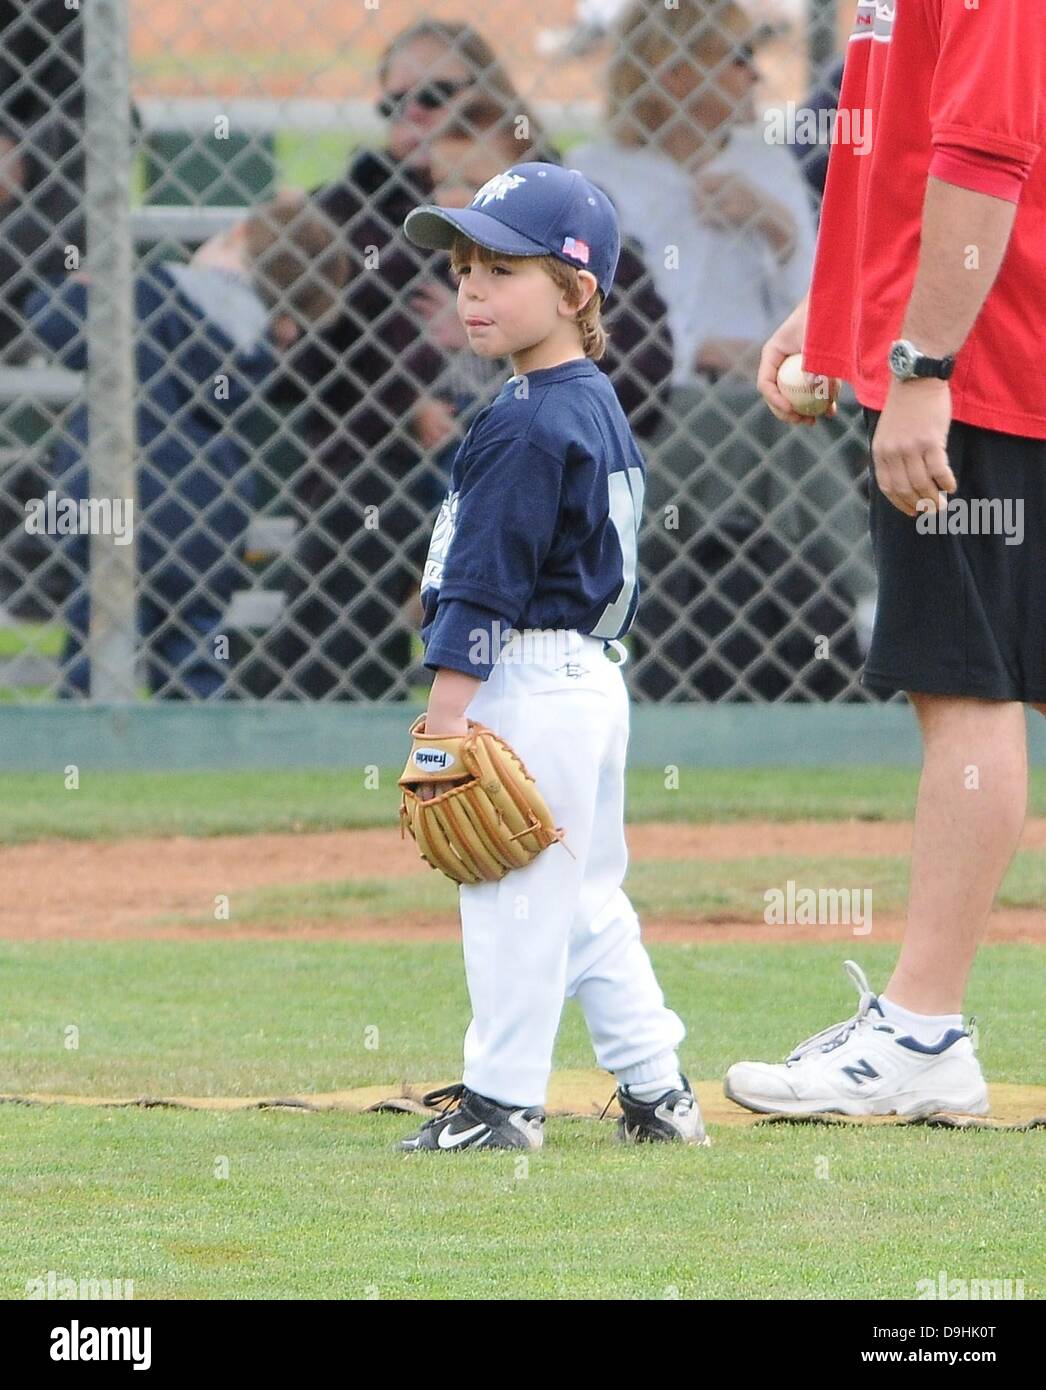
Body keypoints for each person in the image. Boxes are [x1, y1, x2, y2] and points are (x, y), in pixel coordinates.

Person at [726, 1, 1046, 1117]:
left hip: (990, 370)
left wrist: (918, 363)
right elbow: (896, 155)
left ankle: (918, 1031)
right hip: (983, 356)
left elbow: (981, 160)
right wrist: (834, 314)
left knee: (966, 683)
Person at [395, 163, 707, 1151]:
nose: (471, 290)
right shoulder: (584, 398)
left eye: (502, 268)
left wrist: (448, 718)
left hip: (527, 677)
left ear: (575, 291)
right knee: (581, 901)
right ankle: (657, 1094)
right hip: (586, 680)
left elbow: (487, 584)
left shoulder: (528, 417)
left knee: (510, 902)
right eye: (463, 267)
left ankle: (499, 1106)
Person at [25, 195, 347, 697]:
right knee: (195, 656)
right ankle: (200, 750)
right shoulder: (256, 345)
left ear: (236, 235)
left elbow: (52, 322)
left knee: (94, 655)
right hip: (208, 519)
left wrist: (78, 289)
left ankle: (84, 754)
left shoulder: (148, 295)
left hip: (115, 505)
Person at [569, 0, 815, 386]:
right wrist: (690, 352)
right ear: (675, 72)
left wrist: (777, 226)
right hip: (634, 390)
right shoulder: (594, 173)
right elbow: (575, 310)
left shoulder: (769, 165)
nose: (756, 76)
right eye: (739, 57)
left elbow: (816, 310)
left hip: (749, 393)